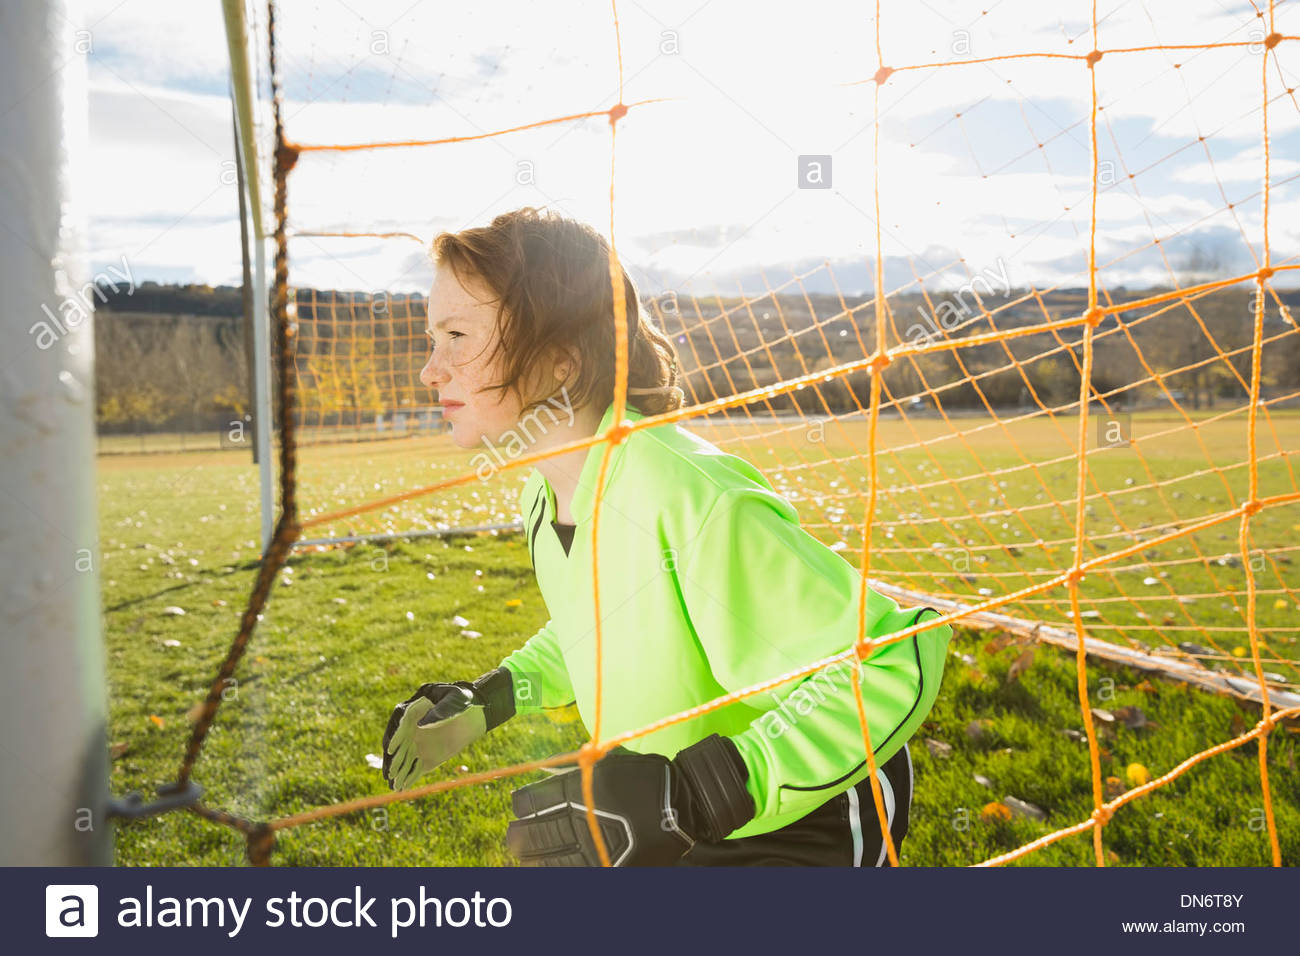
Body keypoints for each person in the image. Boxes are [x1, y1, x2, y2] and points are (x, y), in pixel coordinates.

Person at [382, 206, 952, 867]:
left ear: (561, 360)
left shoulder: (688, 492)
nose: (431, 369)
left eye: (457, 335)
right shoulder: (546, 496)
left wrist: (697, 792)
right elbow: (603, 627)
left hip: (806, 817)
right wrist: (490, 699)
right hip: (690, 822)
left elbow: (891, 655)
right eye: (433, 338)